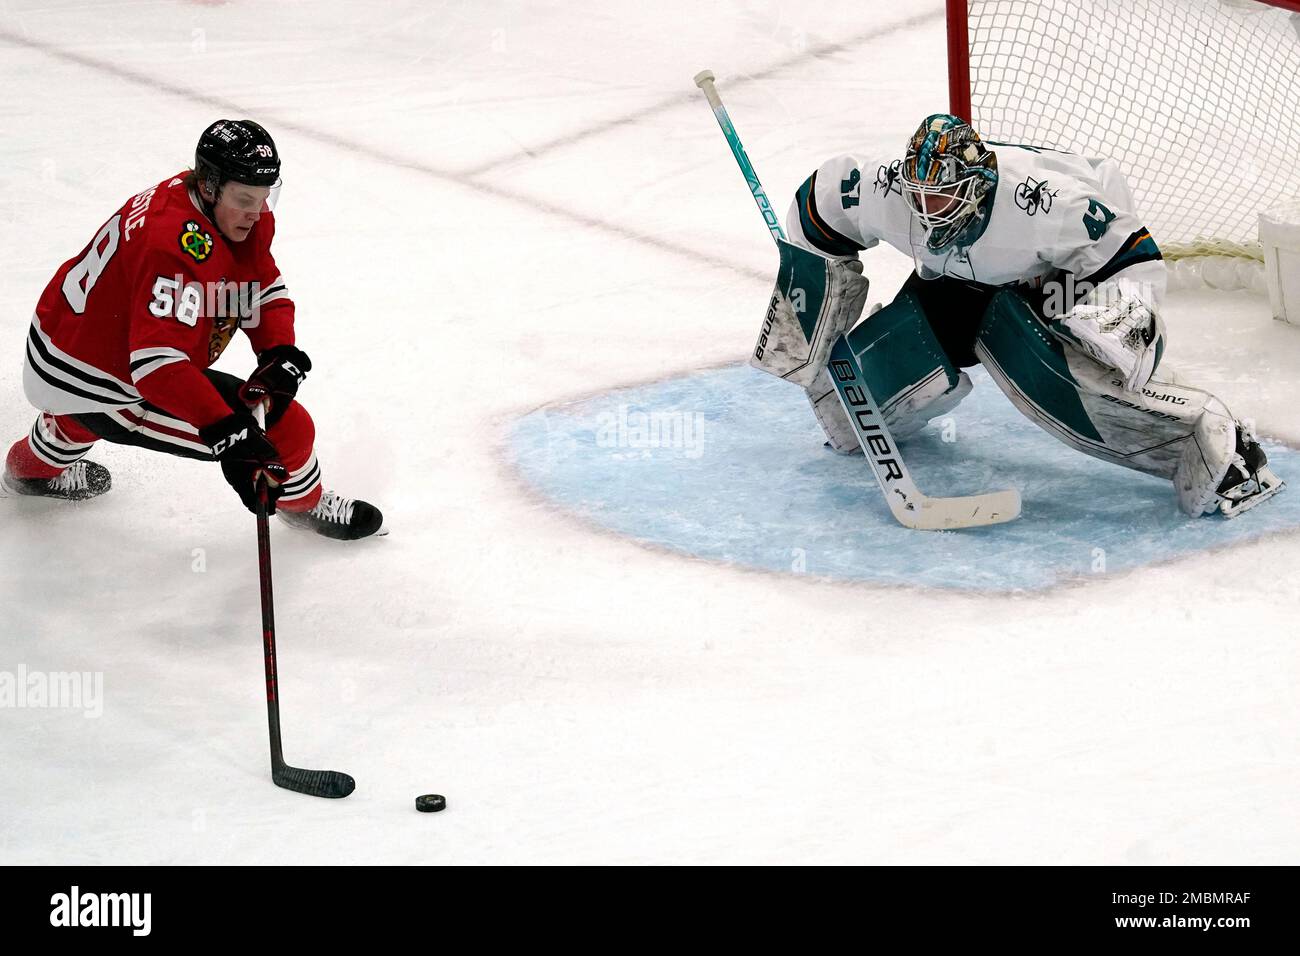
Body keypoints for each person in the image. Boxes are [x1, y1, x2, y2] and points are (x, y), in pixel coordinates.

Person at [785, 113, 1283, 518]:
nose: (926, 208)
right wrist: (804, 295)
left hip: (1057, 271)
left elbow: (1131, 252)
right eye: (919, 195)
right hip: (961, 276)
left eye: (940, 196)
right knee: (850, 405)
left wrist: (1119, 323)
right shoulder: (889, 189)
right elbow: (820, 202)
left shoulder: (1041, 206)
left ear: (977, 188)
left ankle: (1227, 449)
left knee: (1057, 385)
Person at [2, 119, 384, 539]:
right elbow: (157, 368)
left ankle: (33, 466)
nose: (257, 211)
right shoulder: (174, 244)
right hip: (94, 376)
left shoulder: (215, 208)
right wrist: (230, 434)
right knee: (286, 430)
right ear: (210, 186)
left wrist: (277, 351)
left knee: (93, 408)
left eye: (265, 196)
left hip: (65, 340)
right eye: (244, 198)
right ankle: (306, 505)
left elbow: (258, 285)